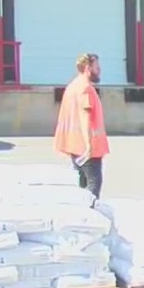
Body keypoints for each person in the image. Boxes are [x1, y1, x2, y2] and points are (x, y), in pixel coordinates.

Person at [53, 52, 109, 200]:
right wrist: (89, 145)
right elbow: (85, 118)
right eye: (97, 67)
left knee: (82, 185)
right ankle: (90, 217)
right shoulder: (85, 89)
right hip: (87, 150)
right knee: (93, 185)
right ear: (88, 68)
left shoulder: (72, 86)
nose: (100, 70)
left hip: (74, 146)